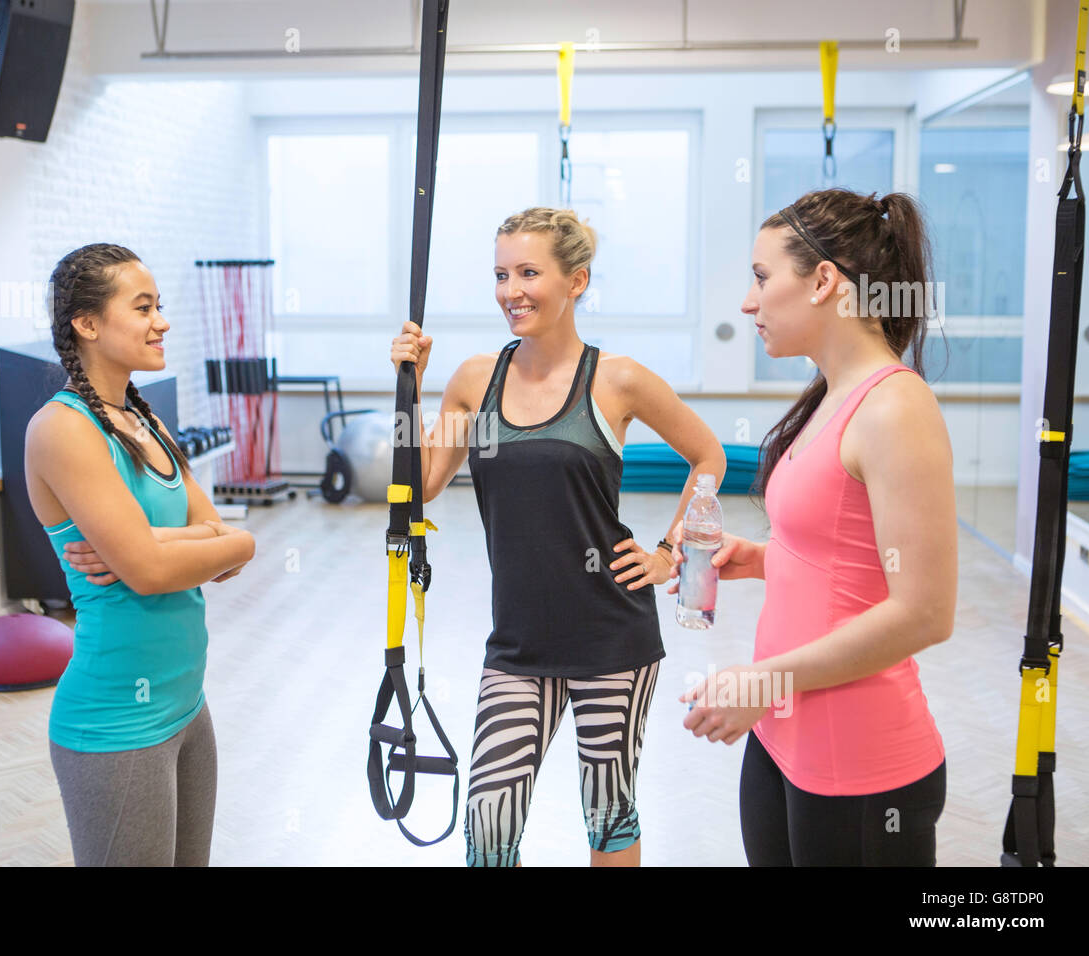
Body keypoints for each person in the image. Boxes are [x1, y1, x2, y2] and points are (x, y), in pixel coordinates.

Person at [391, 207, 725, 866]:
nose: (510, 290)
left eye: (528, 273)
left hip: (612, 636)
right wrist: (414, 386)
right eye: (500, 274)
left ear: (576, 281)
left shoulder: (616, 378)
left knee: (607, 816)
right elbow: (422, 484)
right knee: (488, 823)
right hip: (517, 642)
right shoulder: (474, 380)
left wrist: (669, 555)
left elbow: (708, 456)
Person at [670, 188, 954, 866]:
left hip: (859, 762)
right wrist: (765, 556)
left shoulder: (894, 408)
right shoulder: (832, 396)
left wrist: (762, 681)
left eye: (763, 277)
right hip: (783, 735)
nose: (748, 301)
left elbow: (924, 612)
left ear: (824, 280)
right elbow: (849, 551)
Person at [24, 242, 255, 866]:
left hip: (186, 704)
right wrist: (191, 547)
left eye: (161, 305)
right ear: (88, 323)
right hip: (115, 722)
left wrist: (176, 542)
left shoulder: (144, 421)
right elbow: (151, 576)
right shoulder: (63, 429)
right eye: (145, 306)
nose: (164, 321)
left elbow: (233, 542)